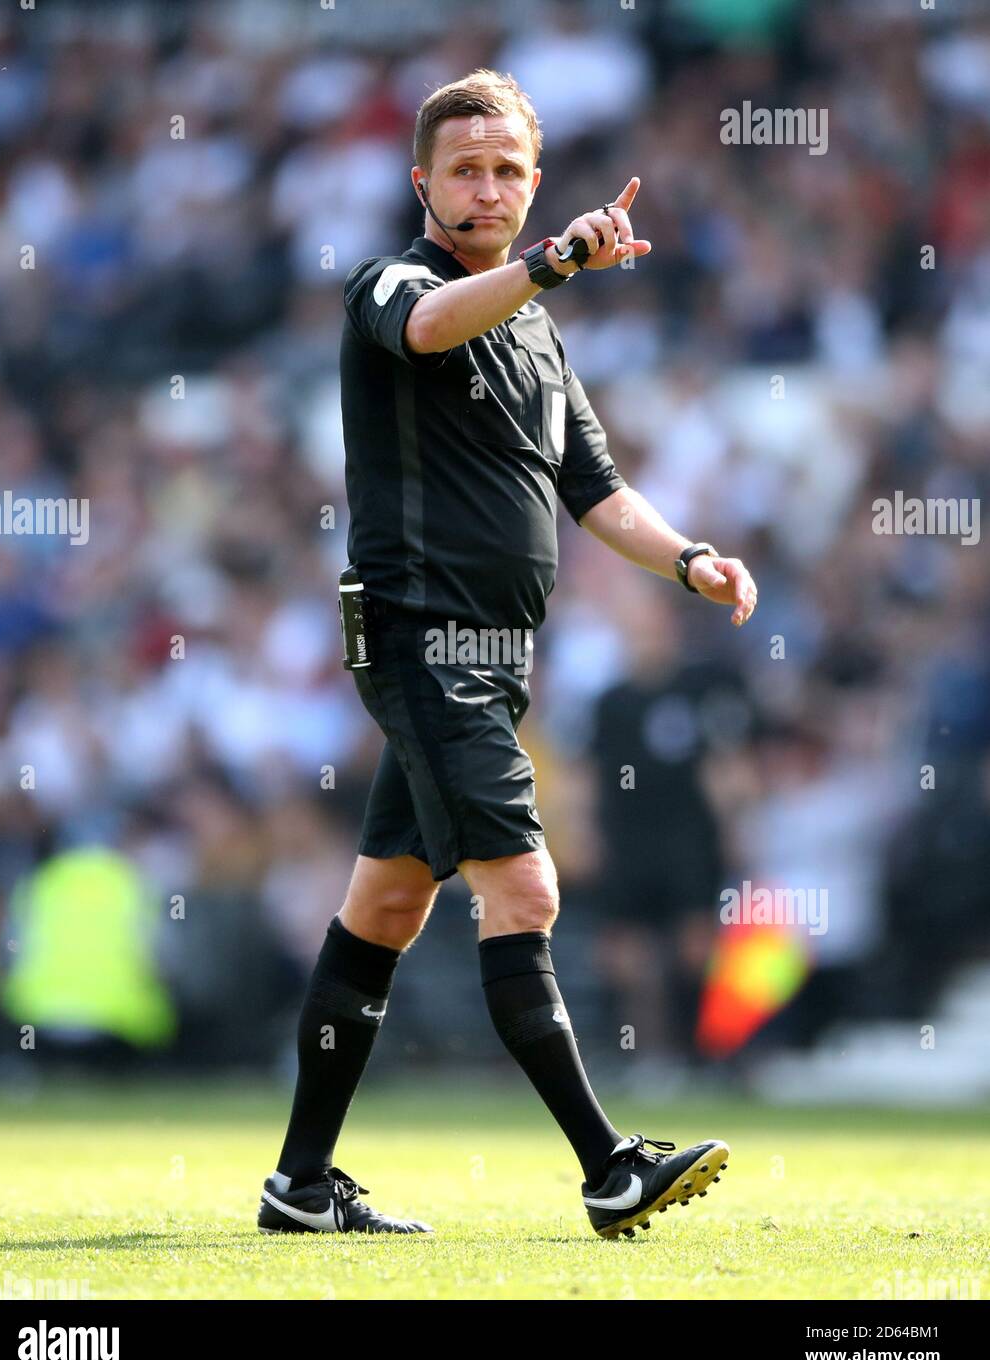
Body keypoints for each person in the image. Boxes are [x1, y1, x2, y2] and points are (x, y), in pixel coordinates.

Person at [258, 70, 755, 1241]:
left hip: (492, 654)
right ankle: (606, 1167)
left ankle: (299, 1183)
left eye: (506, 169)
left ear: (532, 182)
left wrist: (689, 559)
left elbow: (597, 489)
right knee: (523, 888)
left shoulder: (534, 333)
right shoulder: (394, 282)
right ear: (420, 179)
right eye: (464, 167)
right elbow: (429, 325)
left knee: (383, 906)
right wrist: (547, 265)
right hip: (421, 640)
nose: (486, 186)